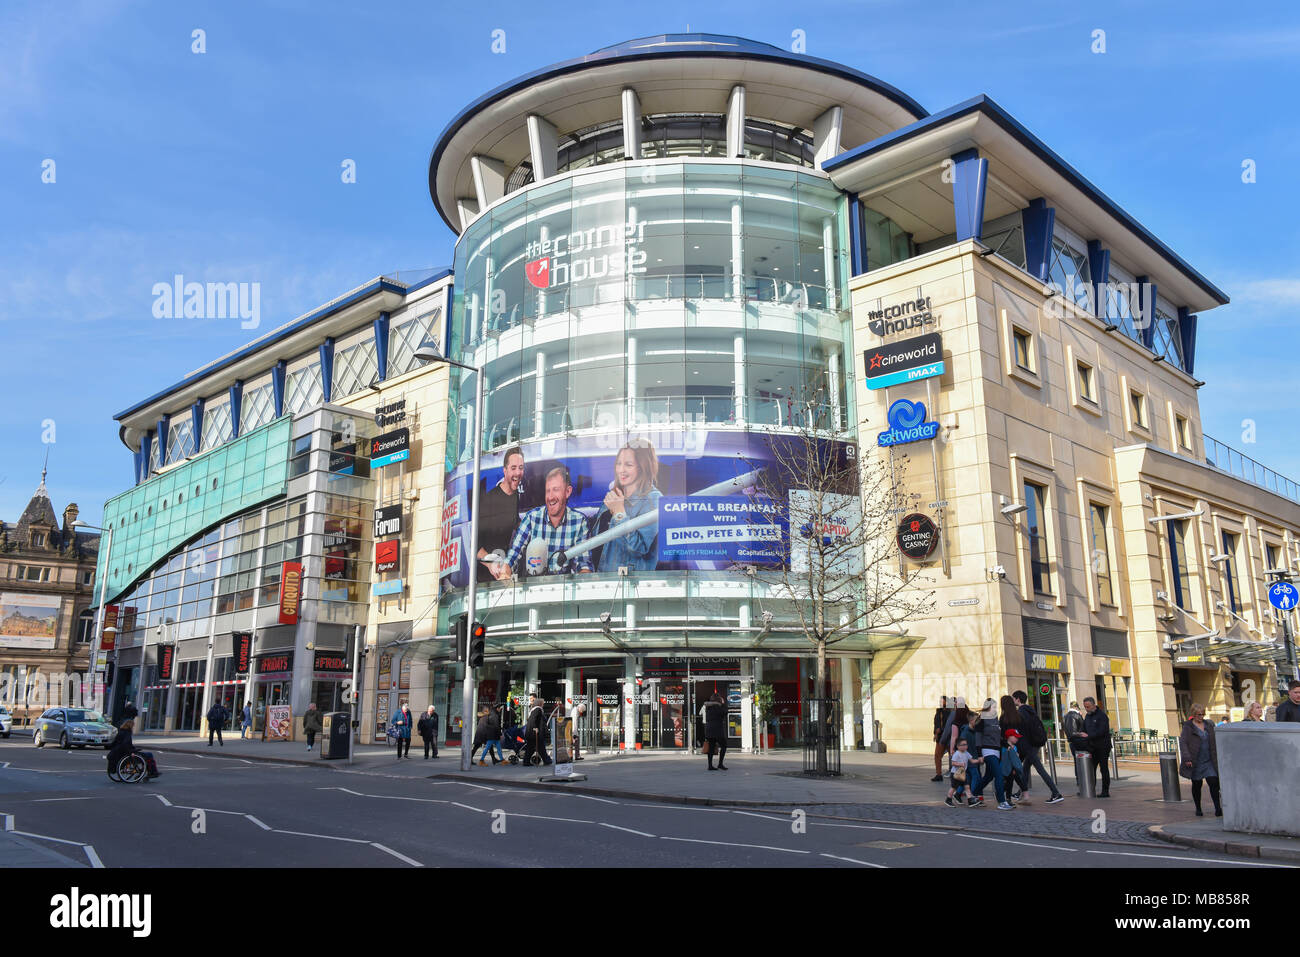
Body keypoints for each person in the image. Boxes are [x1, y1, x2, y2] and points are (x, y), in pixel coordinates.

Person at [502, 466, 593, 577]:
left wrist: (584, 576)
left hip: (566, 591)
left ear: (567, 492)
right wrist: (505, 569)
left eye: (555, 490)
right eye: (548, 491)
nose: (550, 497)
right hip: (534, 591)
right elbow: (513, 555)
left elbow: (584, 565)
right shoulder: (531, 518)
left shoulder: (580, 522)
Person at [595, 440, 662, 572]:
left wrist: (619, 513)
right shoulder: (614, 496)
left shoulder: (653, 499)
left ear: (643, 466)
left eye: (628, 465)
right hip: (602, 581)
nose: (621, 470)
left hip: (631, 585)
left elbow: (637, 549)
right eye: (619, 464)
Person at [478, 447, 525, 580]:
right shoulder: (489, 500)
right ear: (505, 471)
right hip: (485, 577)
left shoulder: (515, 495)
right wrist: (490, 563)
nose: (518, 472)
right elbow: (475, 545)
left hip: (504, 570)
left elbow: (512, 519)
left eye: (521, 467)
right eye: (513, 468)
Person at [1011, 690, 1064, 804]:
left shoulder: (1021, 712)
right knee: (1025, 769)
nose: (1013, 700)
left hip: (1028, 746)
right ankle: (1020, 792)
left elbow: (1023, 732)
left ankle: (1056, 793)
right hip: (1035, 744)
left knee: (1040, 769)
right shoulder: (1030, 711)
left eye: (1013, 698)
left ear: (1018, 699)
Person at [1179, 703, 1222, 817]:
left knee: (1213, 782)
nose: (1201, 717)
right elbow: (1183, 743)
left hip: (1209, 759)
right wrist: (1187, 758)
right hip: (1195, 760)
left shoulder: (1208, 724)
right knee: (1197, 784)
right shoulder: (1188, 727)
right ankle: (1198, 808)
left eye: (1203, 714)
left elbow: (1215, 739)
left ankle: (1218, 808)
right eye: (1198, 715)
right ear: (1193, 714)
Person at [968, 699, 1011, 810]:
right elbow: (978, 738)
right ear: (988, 707)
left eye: (996, 707)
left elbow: (998, 736)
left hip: (997, 751)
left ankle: (973, 794)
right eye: (994, 707)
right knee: (999, 775)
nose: (995, 709)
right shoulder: (982, 719)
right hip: (987, 751)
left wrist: (1007, 744)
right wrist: (980, 754)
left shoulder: (995, 719)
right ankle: (1002, 802)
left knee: (988, 777)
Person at [998, 695, 1028, 803]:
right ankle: (1025, 793)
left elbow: (1002, 735)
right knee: (1016, 771)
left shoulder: (1003, 718)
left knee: (1009, 773)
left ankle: (1008, 797)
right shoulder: (1018, 716)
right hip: (1018, 747)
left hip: (1007, 748)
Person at [1082, 697, 1112, 797]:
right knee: (1091, 769)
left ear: (1094, 705)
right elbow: (1084, 728)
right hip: (1092, 747)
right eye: (1085, 707)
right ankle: (1090, 790)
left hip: (1103, 746)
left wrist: (1089, 736)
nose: (1086, 709)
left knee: (1103, 768)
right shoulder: (1087, 716)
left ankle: (1105, 791)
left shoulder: (1102, 716)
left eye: (1088, 707)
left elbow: (1102, 731)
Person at [701, 692, 728, 770]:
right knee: (723, 746)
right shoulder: (718, 707)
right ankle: (720, 764)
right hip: (718, 729)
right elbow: (725, 712)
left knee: (711, 747)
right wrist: (722, 704)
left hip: (709, 729)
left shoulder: (708, 707)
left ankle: (710, 765)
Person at [946, 736, 974, 808]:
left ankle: (970, 801)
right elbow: (953, 763)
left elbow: (972, 760)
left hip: (963, 774)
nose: (965, 746)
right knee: (954, 787)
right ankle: (948, 799)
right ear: (958, 746)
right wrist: (960, 764)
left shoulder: (966, 753)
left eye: (966, 744)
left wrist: (979, 760)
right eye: (963, 745)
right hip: (956, 774)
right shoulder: (957, 754)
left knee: (967, 786)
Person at [524, 695, 551, 766]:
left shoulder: (535, 710)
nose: (543, 705)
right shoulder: (538, 709)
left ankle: (526, 761)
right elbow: (534, 720)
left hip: (531, 733)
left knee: (532, 748)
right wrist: (535, 728)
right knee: (539, 747)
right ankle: (546, 760)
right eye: (542, 703)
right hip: (534, 733)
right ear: (540, 704)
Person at [931, 695, 951, 782]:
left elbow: (949, 724)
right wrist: (936, 732)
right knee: (937, 756)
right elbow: (936, 723)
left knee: (953, 756)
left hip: (949, 737)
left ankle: (954, 773)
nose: (941, 702)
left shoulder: (950, 712)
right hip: (940, 737)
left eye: (942, 701)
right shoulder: (939, 712)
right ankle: (938, 774)